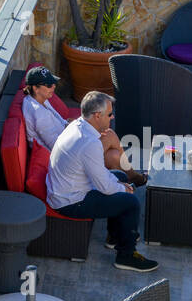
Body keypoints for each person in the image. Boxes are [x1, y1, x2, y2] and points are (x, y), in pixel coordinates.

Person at [47, 91, 159, 272]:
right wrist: (126, 189)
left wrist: (121, 184)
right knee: (130, 202)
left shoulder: (77, 124)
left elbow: (103, 178)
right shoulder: (89, 142)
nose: (112, 117)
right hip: (70, 202)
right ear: (97, 115)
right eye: (109, 114)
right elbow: (105, 187)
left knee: (120, 176)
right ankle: (126, 255)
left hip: (67, 189)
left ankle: (115, 237)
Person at [22, 67, 147, 185]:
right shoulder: (38, 113)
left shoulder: (40, 100)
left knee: (113, 156)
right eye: (49, 85)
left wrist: (71, 125)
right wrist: (82, 132)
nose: (53, 86)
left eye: (53, 83)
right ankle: (134, 177)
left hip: (69, 146)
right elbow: (56, 146)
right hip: (65, 160)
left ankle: (123, 184)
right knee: (109, 135)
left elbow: (61, 122)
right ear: (35, 88)